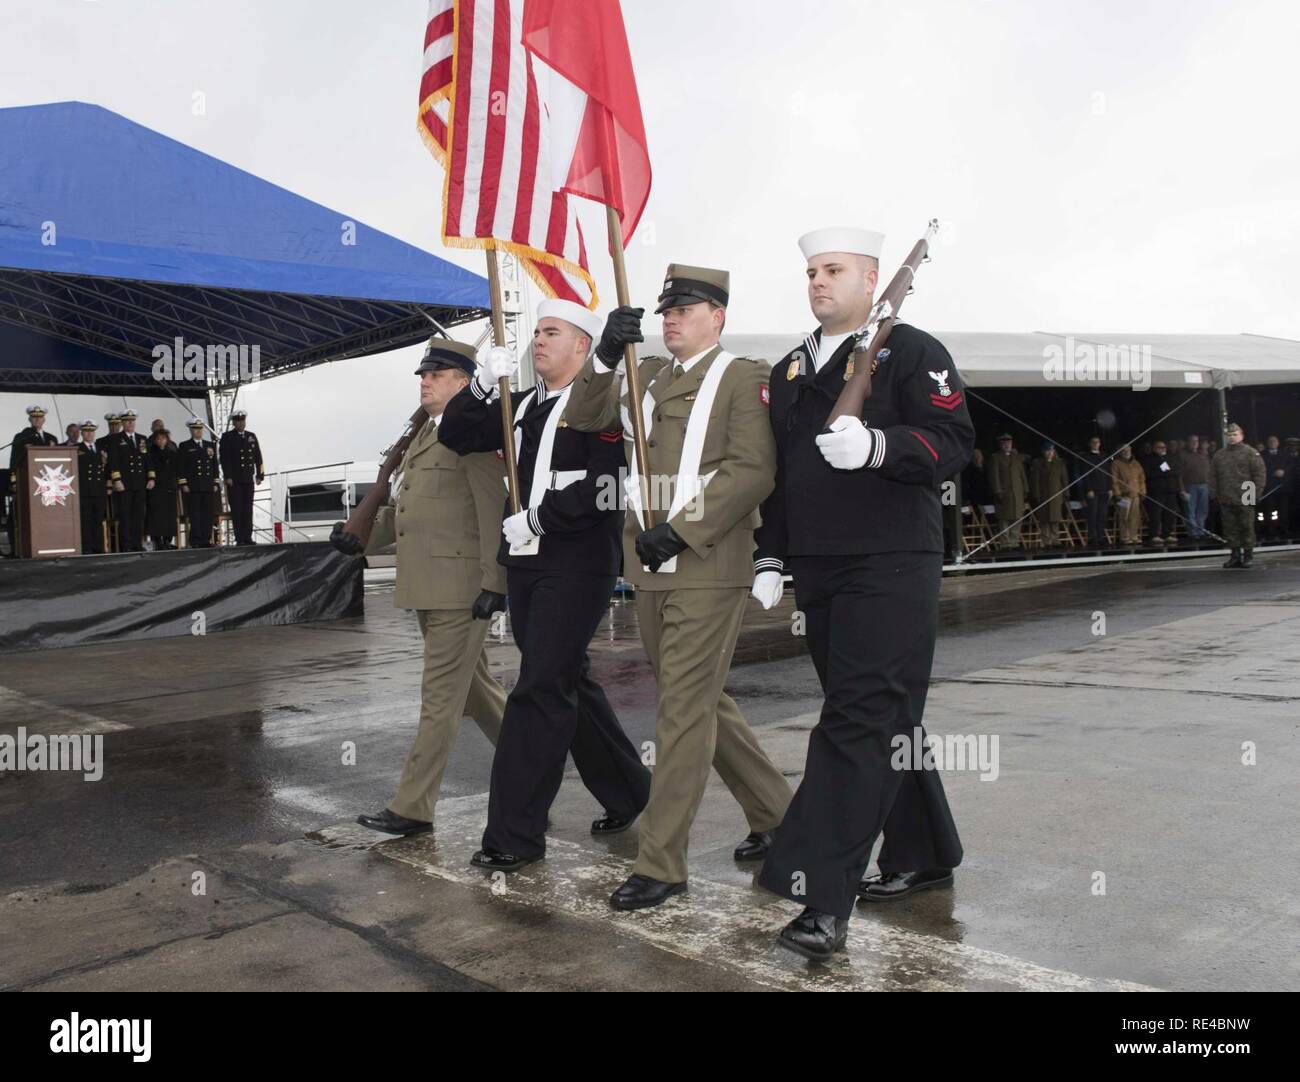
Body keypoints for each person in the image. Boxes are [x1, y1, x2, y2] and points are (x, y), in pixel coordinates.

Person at [749, 227, 972, 960]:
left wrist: (884, 446)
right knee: (883, 716)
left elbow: (954, 438)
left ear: (872, 278)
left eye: (833, 269)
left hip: (892, 560)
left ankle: (820, 891)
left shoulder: (909, 349)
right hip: (820, 564)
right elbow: (782, 472)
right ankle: (922, 850)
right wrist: (771, 555)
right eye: (810, 270)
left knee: (856, 720)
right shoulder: (787, 371)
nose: (817, 281)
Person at [564, 265, 793, 912]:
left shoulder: (743, 376)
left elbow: (753, 468)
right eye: (668, 309)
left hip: (708, 561)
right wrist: (605, 356)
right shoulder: (649, 376)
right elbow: (584, 418)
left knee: (682, 710)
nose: (672, 318)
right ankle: (780, 815)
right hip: (650, 564)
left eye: (688, 308)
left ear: (718, 316)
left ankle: (662, 863)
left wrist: (683, 529)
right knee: (699, 700)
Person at [439, 300, 652, 872]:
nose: (537, 340)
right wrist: (484, 385)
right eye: (535, 331)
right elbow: (455, 434)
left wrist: (542, 516)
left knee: (538, 689)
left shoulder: (599, 405)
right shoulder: (521, 404)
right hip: (528, 564)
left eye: (551, 332)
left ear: (582, 347)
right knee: (566, 679)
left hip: (577, 561)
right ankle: (631, 791)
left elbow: (607, 486)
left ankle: (514, 833)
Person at [334, 339, 511, 836]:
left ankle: (413, 807)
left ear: (462, 382)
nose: (425, 381)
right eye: (423, 374)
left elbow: (491, 510)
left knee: (438, 699)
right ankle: (535, 758)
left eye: (437, 374)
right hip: (425, 587)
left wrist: (496, 583)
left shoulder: (470, 435)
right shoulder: (422, 437)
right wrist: (360, 537)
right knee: (475, 693)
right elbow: (412, 513)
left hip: (459, 590)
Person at [1210, 422, 1266, 568]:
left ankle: (1248, 555)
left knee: (1246, 526)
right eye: (1229, 435)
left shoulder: (1250, 453)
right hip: (1226, 496)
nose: (1232, 437)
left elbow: (1259, 474)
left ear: (1241, 435)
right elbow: (1212, 476)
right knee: (1230, 528)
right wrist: (1214, 493)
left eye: (1235, 434)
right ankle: (1235, 555)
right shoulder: (1219, 455)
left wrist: (1255, 494)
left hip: (1245, 494)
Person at [8, 405, 61, 556]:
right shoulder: (22, 437)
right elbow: (14, 461)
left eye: (40, 417)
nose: (37, 419)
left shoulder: (52, 438)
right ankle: (20, 549)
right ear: (30, 419)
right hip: (28, 484)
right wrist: (14, 482)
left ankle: (48, 544)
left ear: (44, 419)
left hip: (49, 486)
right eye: (34, 417)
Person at [107, 409, 151, 551]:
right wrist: (116, 480)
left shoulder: (142, 439)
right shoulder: (116, 439)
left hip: (139, 483)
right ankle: (126, 545)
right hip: (124, 483)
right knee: (125, 515)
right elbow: (113, 461)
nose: (130, 423)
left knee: (138, 515)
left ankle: (136, 544)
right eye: (127, 421)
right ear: (123, 423)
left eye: (132, 421)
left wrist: (151, 477)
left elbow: (147, 460)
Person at [219, 410, 264, 544]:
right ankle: (239, 538)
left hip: (248, 478)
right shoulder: (227, 437)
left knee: (247, 509)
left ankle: (247, 537)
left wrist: (260, 475)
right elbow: (224, 458)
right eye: (238, 421)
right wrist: (228, 476)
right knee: (237, 509)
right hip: (235, 479)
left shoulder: (251, 436)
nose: (241, 423)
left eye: (242, 421)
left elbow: (258, 456)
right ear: (233, 422)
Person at [177, 419, 220, 547]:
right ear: (191, 430)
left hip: (207, 485)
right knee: (195, 514)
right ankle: (195, 540)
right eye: (195, 429)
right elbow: (181, 467)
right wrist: (183, 483)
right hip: (193, 486)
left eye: (200, 429)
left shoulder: (209, 445)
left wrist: (216, 482)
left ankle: (206, 539)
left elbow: (214, 466)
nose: (198, 431)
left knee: (207, 514)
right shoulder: (185, 446)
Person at [987, 433, 1028, 549]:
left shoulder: (1016, 457)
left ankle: (1014, 542)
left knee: (1017, 517)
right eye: (1004, 443)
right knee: (1004, 518)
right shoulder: (996, 457)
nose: (1007, 445)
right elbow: (994, 477)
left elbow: (1022, 474)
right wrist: (998, 491)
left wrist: (1025, 489)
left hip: (1017, 492)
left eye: (1009, 443)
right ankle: (1005, 543)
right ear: (1000, 444)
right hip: (1004, 493)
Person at [76, 421, 108, 554]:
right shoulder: (76, 448)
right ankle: (87, 547)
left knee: (98, 519)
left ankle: (98, 547)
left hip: (99, 490)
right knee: (86, 520)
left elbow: (106, 468)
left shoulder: (101, 448)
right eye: (86, 431)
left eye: (91, 431)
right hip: (85, 490)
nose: (89, 434)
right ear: (82, 433)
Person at [1029, 441, 1069, 547]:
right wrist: (1036, 495)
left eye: (1051, 450)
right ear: (1043, 452)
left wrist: (1066, 493)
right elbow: (1035, 480)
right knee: (1045, 519)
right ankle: (1046, 541)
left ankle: (1055, 540)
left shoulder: (1060, 463)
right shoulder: (1038, 463)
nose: (1049, 453)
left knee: (1055, 519)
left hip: (1056, 495)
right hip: (1044, 495)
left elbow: (1064, 479)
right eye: (1047, 451)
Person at [1075, 435, 1112, 547]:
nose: (1096, 444)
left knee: (1102, 515)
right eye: (1093, 442)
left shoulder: (1104, 456)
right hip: (1093, 490)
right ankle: (1093, 537)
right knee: (1093, 514)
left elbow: (1108, 473)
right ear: (1090, 444)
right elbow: (1085, 475)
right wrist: (1089, 489)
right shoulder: (1086, 457)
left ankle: (1101, 536)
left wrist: (1110, 487)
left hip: (1104, 489)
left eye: (1098, 442)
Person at [146, 428, 180, 549]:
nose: (161, 441)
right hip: (156, 488)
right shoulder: (150, 453)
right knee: (156, 515)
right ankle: (157, 540)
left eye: (163, 438)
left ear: (167, 440)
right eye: (158, 438)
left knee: (169, 515)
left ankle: (167, 540)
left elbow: (176, 471)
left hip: (169, 488)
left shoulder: (172, 453)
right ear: (154, 440)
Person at [1143, 439, 1181, 544]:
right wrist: (1164, 472)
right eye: (1160, 447)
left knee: (1170, 513)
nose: (1163, 449)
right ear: (1154, 448)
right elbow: (1149, 474)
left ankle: (1167, 534)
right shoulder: (1149, 460)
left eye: (1164, 447)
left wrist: (1166, 472)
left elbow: (1174, 471)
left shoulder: (1169, 458)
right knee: (1155, 514)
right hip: (1156, 491)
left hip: (1169, 490)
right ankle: (1154, 534)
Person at [1110, 444, 1145, 546]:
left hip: (1135, 494)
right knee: (1123, 516)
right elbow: (1114, 479)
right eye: (1124, 450)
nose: (1126, 452)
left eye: (1128, 449)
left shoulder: (1136, 463)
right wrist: (1117, 493)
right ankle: (1125, 537)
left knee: (1135, 516)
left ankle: (1134, 536)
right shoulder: (1116, 463)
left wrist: (1142, 490)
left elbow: (1142, 478)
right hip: (1123, 495)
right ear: (1120, 452)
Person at [1177, 434, 1210, 540]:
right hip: (1190, 485)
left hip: (1204, 485)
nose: (1195, 443)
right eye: (1192, 441)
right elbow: (1179, 474)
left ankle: (1201, 530)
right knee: (1191, 510)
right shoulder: (1183, 455)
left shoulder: (1203, 454)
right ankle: (1193, 532)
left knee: (1202, 510)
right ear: (1188, 442)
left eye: (1196, 441)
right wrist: (1182, 489)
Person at [1259, 435, 1287, 541]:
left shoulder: (1284, 454)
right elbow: (1260, 469)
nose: (1272, 443)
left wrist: (1283, 472)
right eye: (1270, 441)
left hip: (1282, 488)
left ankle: (1283, 531)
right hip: (1269, 488)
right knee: (1269, 511)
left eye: (1274, 441)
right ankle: (1270, 532)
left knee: (1283, 511)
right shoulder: (1262, 455)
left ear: (1278, 443)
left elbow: (1289, 467)